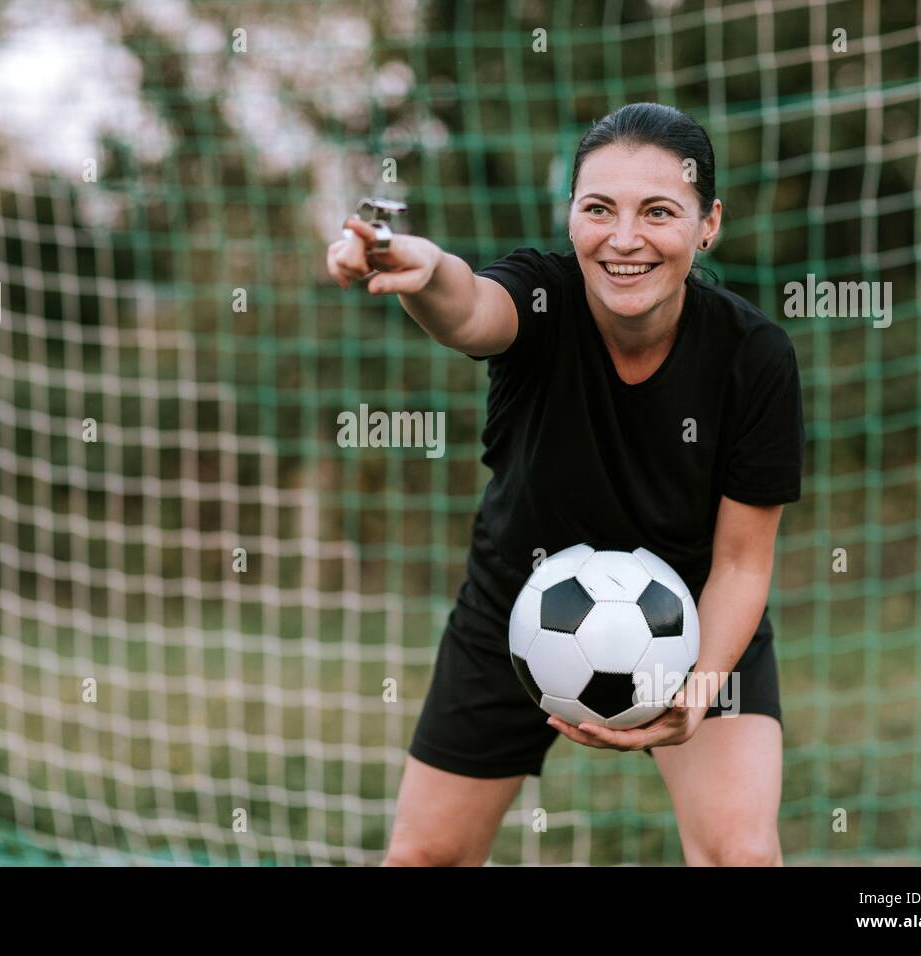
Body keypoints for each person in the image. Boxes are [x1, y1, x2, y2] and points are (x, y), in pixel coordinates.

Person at [326, 103, 805, 866]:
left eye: (658, 211)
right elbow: (472, 307)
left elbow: (744, 562)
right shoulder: (541, 298)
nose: (624, 239)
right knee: (424, 858)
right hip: (514, 608)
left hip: (694, 623)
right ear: (570, 217)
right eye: (598, 209)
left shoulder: (755, 357)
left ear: (708, 222)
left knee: (740, 857)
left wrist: (699, 686)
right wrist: (423, 270)